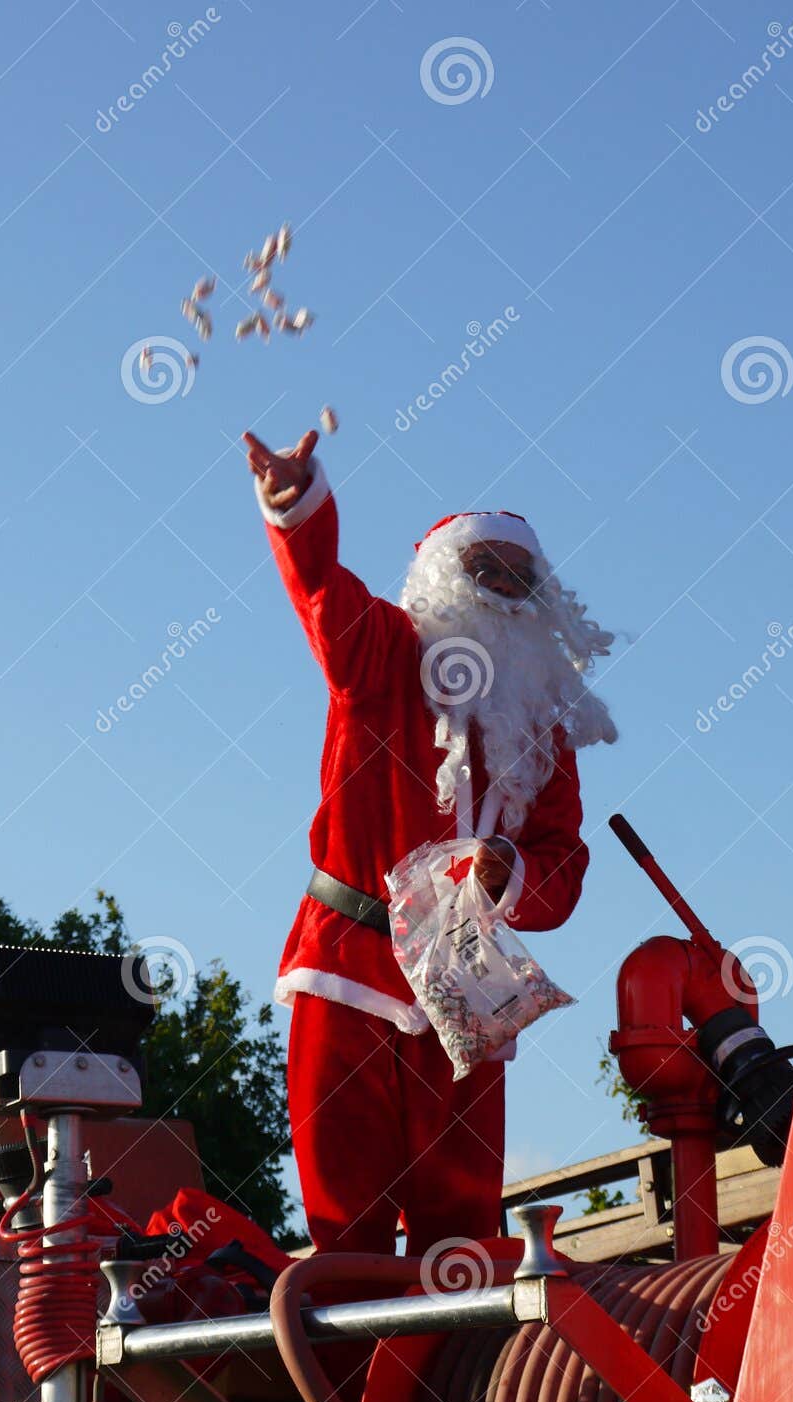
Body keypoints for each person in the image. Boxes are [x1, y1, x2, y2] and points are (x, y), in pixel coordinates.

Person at [245, 427, 617, 1257]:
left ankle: (455, 1389)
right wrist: (298, 509)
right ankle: (344, 1386)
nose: (504, 592)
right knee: (348, 1226)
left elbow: (564, 858)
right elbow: (324, 604)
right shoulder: (381, 655)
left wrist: (513, 873)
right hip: (349, 966)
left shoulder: (543, 730)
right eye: (484, 571)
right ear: (441, 579)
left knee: (463, 1230)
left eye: (521, 579)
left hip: (464, 975)